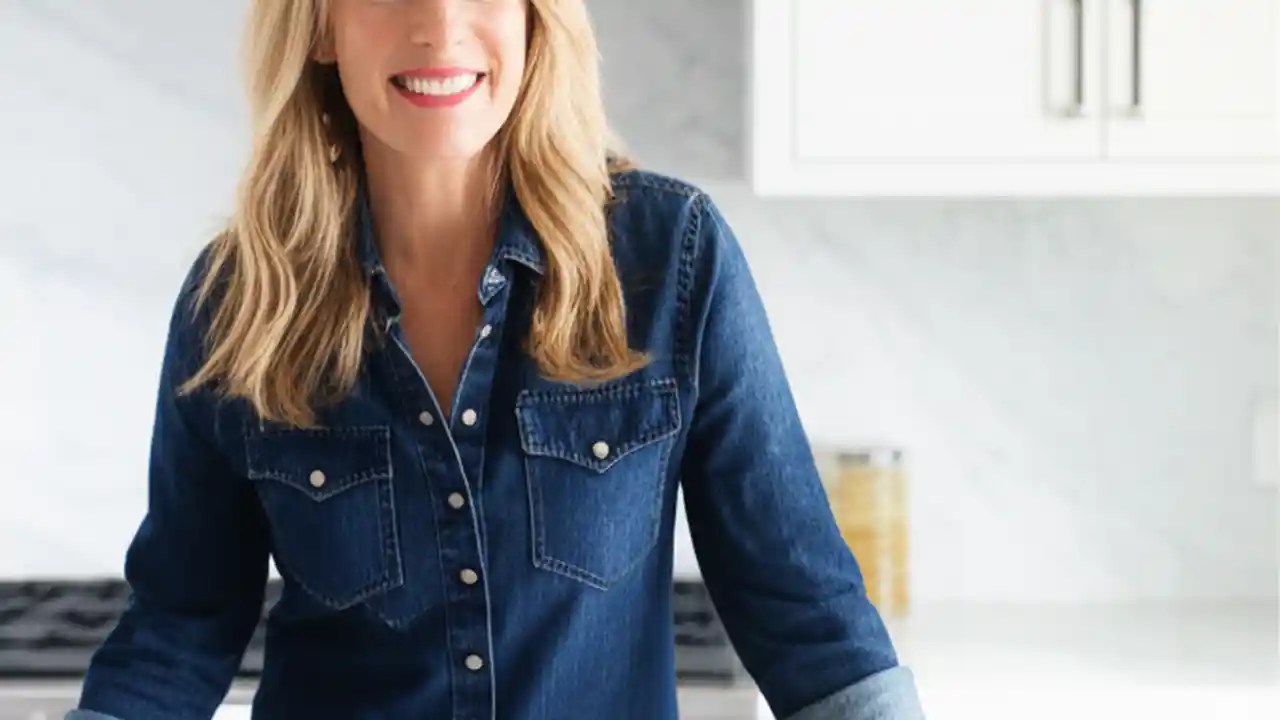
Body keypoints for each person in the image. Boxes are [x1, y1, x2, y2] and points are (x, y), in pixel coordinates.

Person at [68, 1, 925, 718]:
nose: (440, 26)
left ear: (532, 22)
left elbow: (808, 619)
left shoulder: (672, 261)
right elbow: (179, 627)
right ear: (321, 27)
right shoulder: (240, 301)